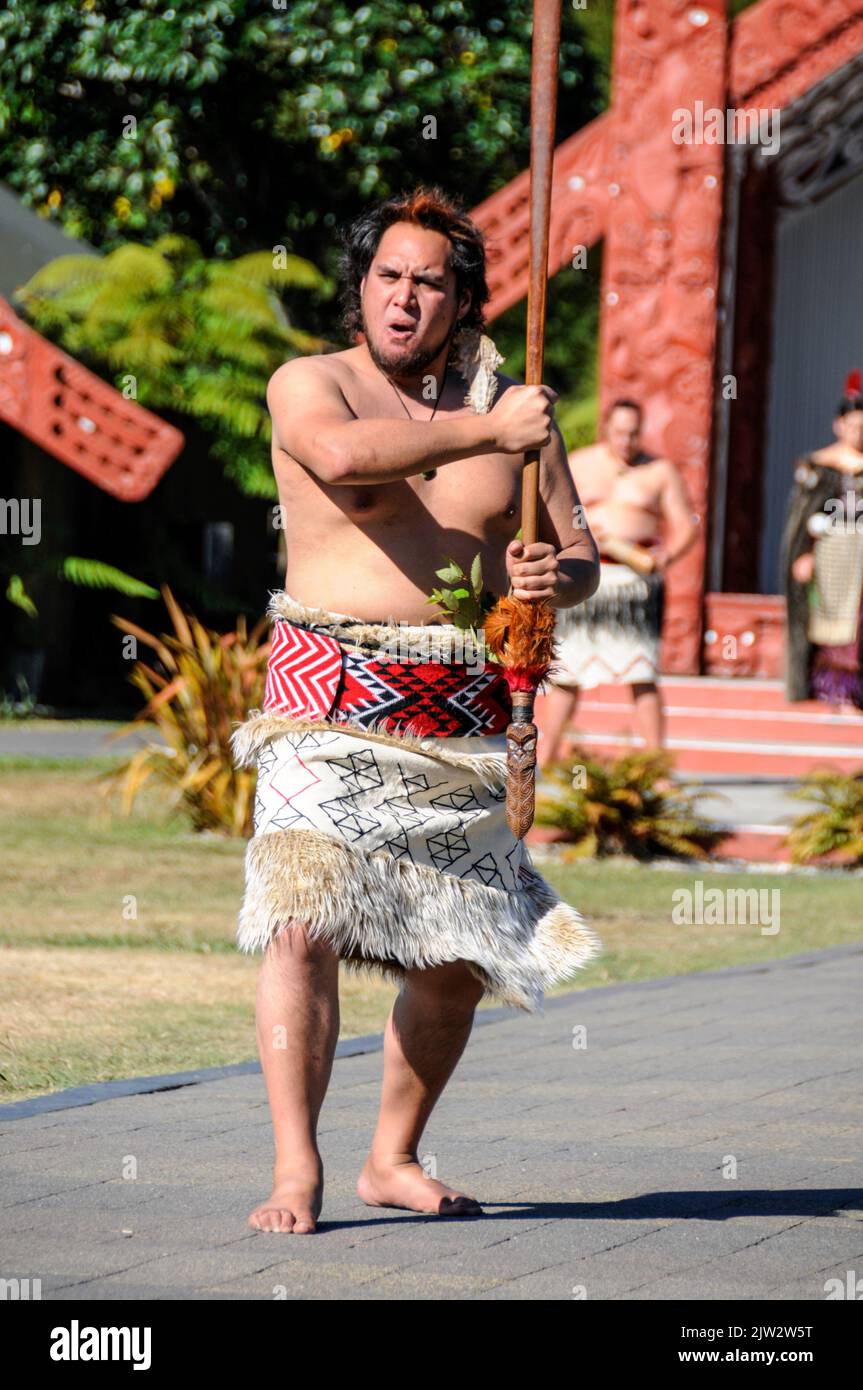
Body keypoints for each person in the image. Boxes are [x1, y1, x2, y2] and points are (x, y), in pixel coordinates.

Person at [230, 184, 601, 1235]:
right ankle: (294, 1167)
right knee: (299, 925)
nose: (402, 298)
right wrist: (488, 424)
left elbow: (581, 557)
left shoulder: (520, 421)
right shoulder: (314, 385)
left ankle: (390, 1157)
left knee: (453, 965)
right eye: (385, 276)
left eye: (427, 283)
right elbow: (343, 462)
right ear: (359, 287)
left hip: (458, 721)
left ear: (461, 301)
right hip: (326, 699)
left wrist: (548, 578)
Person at [536, 400, 698, 766]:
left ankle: (656, 764)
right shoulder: (580, 463)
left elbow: (687, 524)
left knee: (642, 671)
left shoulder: (658, 471)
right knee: (567, 671)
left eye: (635, 432)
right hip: (584, 576)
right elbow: (551, 509)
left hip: (634, 583)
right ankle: (546, 757)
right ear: (606, 427)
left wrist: (665, 557)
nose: (627, 440)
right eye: (621, 431)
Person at [782, 370, 863, 711]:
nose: (858, 433)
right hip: (829, 553)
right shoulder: (819, 466)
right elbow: (801, 522)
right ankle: (832, 689)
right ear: (839, 425)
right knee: (823, 619)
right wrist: (803, 554)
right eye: (853, 425)